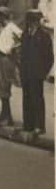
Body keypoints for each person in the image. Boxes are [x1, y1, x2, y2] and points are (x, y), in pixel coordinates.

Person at [18, 9, 53, 141]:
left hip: (37, 73)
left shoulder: (44, 36)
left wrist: (43, 72)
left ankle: (39, 126)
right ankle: (28, 125)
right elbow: (23, 53)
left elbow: (49, 57)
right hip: (26, 72)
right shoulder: (25, 35)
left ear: (38, 21)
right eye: (30, 20)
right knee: (26, 98)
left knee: (37, 99)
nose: (31, 23)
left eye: (33, 21)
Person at [0, 9, 22, 127]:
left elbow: (23, 38)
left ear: (2, 16)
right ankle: (4, 114)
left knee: (4, 85)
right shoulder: (4, 27)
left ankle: (8, 117)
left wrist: (14, 48)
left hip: (5, 58)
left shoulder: (11, 27)